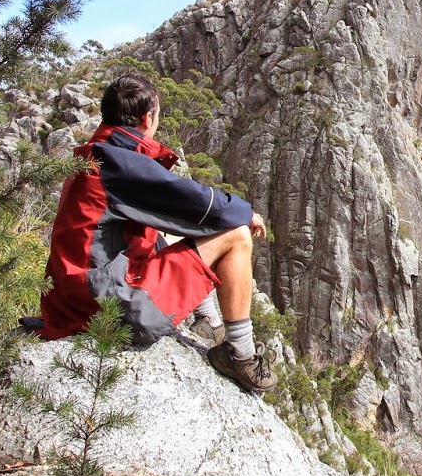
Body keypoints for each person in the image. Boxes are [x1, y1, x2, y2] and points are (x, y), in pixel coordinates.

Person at [37, 72, 276, 392]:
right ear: (148, 117)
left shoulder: (97, 152)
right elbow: (199, 203)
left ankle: (210, 324)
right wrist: (246, 213)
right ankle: (241, 355)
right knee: (236, 235)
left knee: (169, 230)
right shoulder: (118, 162)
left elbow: (173, 216)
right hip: (104, 307)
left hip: (73, 299)